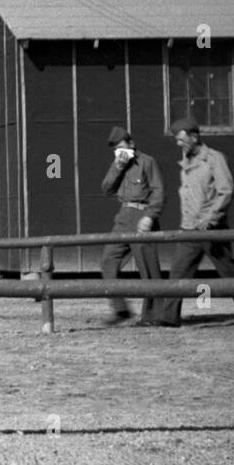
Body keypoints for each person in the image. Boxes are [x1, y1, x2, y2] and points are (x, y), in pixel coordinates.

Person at [146, 116, 234, 328]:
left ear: (194, 137)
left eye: (181, 139)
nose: (178, 143)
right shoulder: (186, 161)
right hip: (189, 230)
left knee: (229, 272)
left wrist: (209, 219)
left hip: (211, 230)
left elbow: (225, 191)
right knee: (178, 273)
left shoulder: (214, 159)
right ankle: (168, 318)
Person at [99, 125, 165, 325]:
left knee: (148, 269)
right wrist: (117, 167)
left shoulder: (147, 162)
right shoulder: (118, 164)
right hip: (123, 216)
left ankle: (154, 316)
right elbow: (106, 189)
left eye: (122, 147)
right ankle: (120, 310)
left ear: (132, 144)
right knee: (108, 261)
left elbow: (158, 191)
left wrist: (150, 216)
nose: (120, 152)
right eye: (116, 150)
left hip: (142, 215)